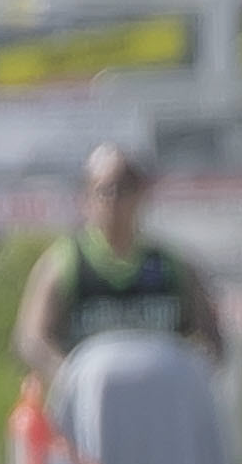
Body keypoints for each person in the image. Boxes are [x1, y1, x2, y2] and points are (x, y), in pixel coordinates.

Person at [13, 142, 223, 386]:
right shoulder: (65, 263)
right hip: (90, 411)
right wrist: (72, 378)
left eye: (124, 189)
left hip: (158, 409)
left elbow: (212, 341)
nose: (114, 202)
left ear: (140, 194)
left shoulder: (170, 266)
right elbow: (31, 340)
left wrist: (187, 378)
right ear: (86, 198)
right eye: (105, 190)